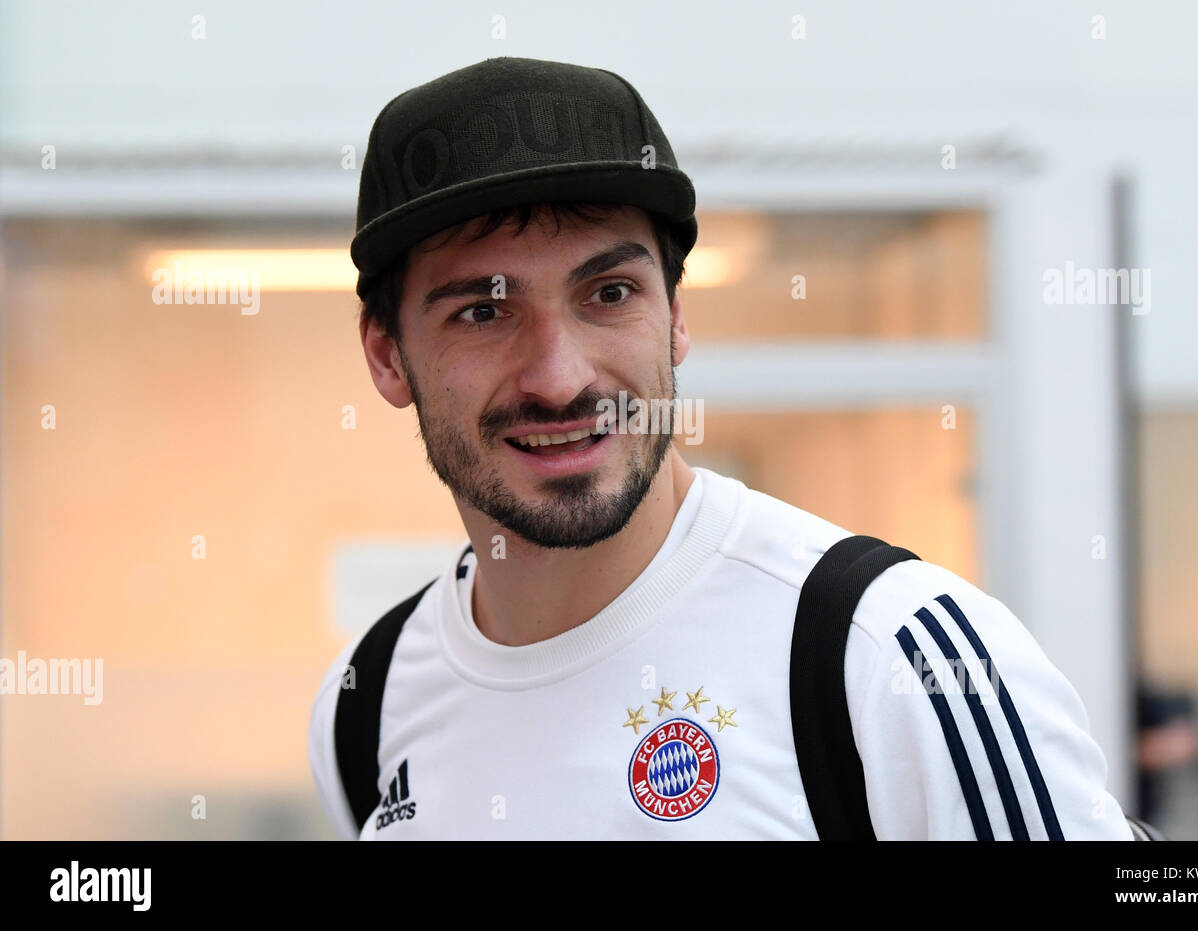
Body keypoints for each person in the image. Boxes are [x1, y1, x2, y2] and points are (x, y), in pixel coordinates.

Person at [308, 55, 1134, 840]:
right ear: (386, 355)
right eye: (485, 312)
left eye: (609, 292)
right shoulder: (368, 700)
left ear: (674, 318)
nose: (559, 378)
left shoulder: (889, 653)